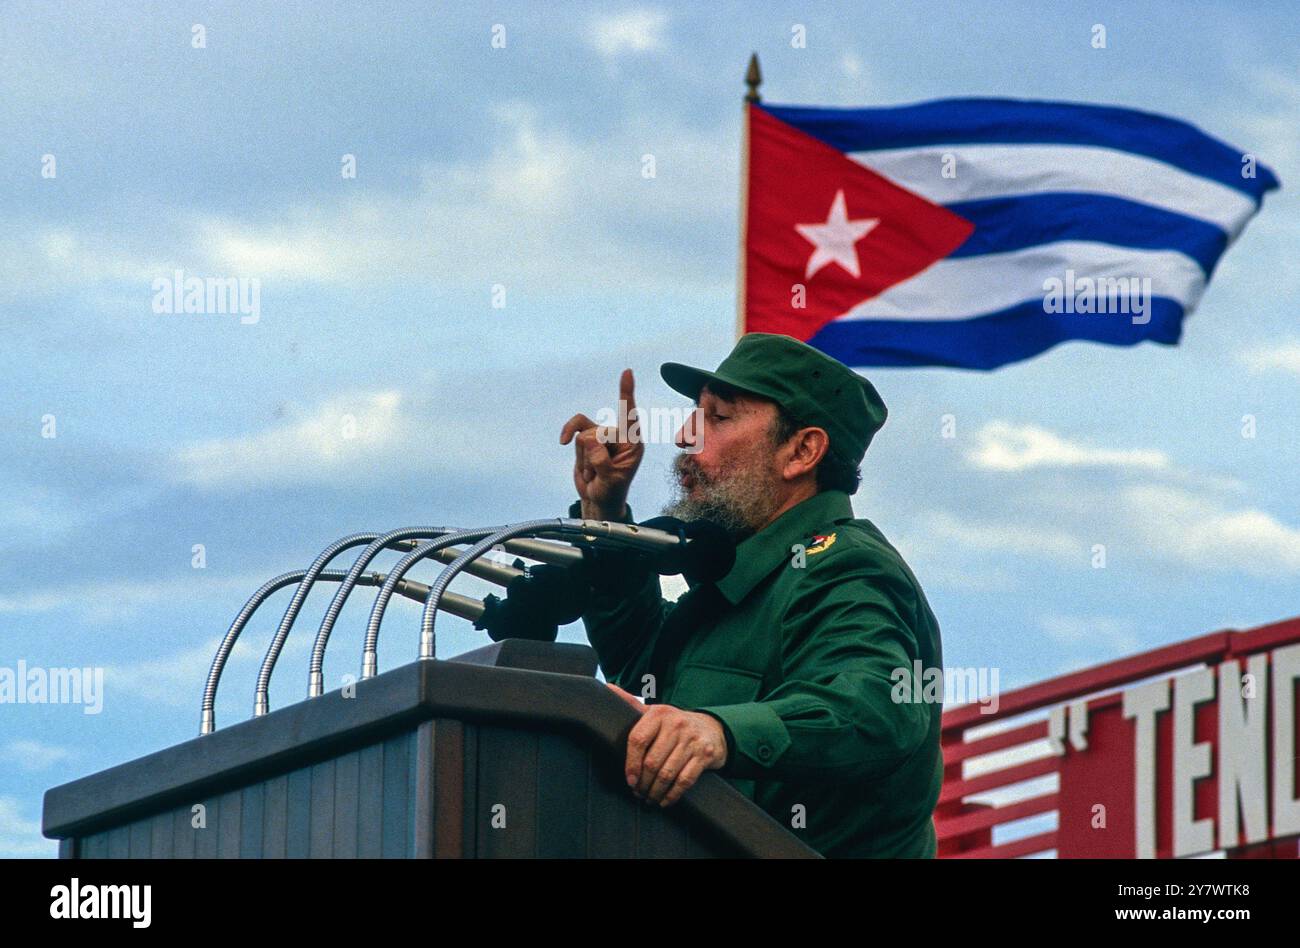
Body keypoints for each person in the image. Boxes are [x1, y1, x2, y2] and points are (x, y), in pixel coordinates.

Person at [559, 332, 944, 857]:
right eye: (696, 413)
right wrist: (604, 515)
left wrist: (720, 732)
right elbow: (642, 667)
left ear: (802, 451)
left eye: (718, 418)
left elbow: (880, 708)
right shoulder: (740, 578)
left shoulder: (844, 568)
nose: (684, 436)